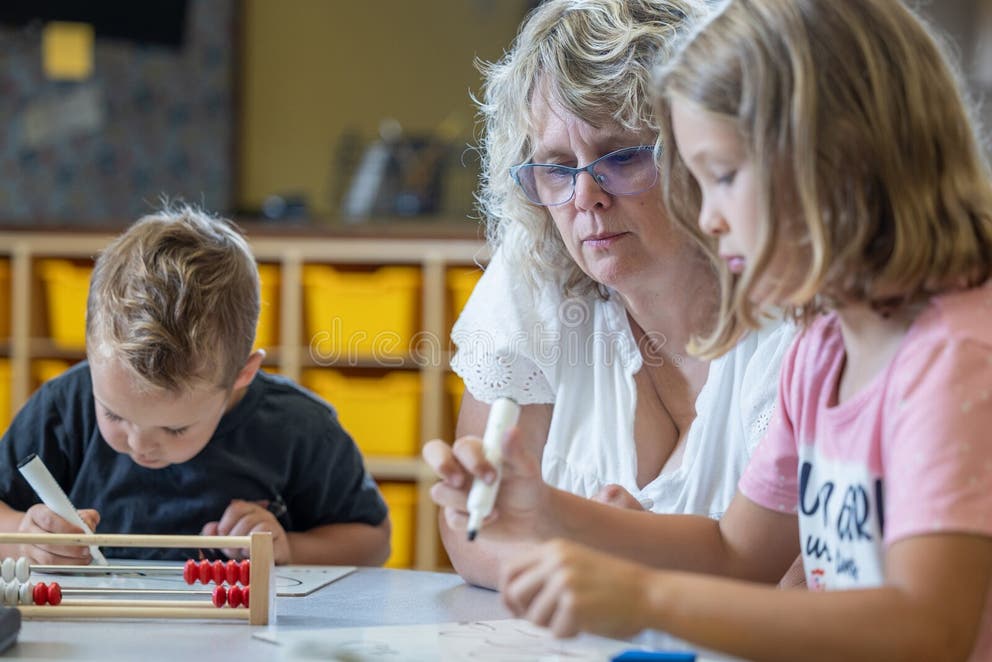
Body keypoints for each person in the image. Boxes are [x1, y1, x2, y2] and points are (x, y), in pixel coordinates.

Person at [493, 0, 992, 659]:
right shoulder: (825, 348)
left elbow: (928, 629)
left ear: (834, 161)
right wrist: (544, 506)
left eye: (722, 177)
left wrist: (645, 597)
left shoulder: (955, 358)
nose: (707, 214)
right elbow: (734, 552)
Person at [425, 0, 795, 589]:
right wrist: (596, 570)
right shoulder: (538, 268)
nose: (584, 196)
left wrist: (602, 563)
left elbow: (787, 574)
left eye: (621, 156)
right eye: (556, 165)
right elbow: (472, 530)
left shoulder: (793, 312)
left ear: (706, 154)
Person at [0, 207, 391, 566]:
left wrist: (290, 548)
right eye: (115, 414)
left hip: (243, 639)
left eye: (175, 428)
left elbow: (374, 541)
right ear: (91, 350)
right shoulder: (61, 410)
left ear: (243, 373)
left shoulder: (300, 428)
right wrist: (23, 537)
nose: (140, 446)